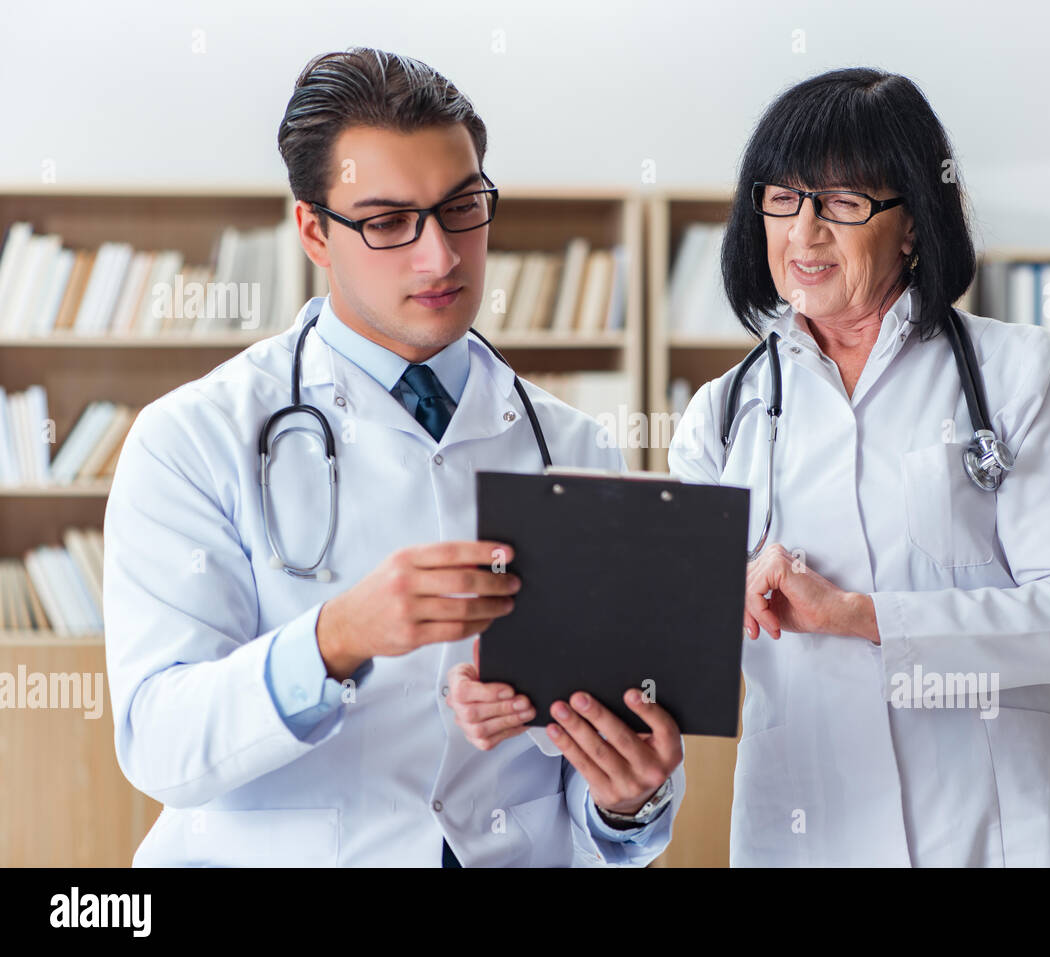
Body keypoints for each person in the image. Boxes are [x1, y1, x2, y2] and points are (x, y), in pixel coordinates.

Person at [103, 46, 684, 867]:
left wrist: (629, 801)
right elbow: (160, 741)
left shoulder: (575, 444)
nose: (440, 256)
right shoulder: (191, 438)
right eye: (387, 222)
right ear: (313, 229)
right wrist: (336, 637)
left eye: (463, 208)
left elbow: (606, 797)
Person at [668, 67, 1050, 866]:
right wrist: (717, 598)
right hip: (808, 830)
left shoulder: (1018, 373)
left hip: (991, 833)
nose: (804, 234)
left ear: (912, 223)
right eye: (782, 198)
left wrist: (864, 616)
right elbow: (672, 651)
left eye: (843, 203)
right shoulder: (720, 415)